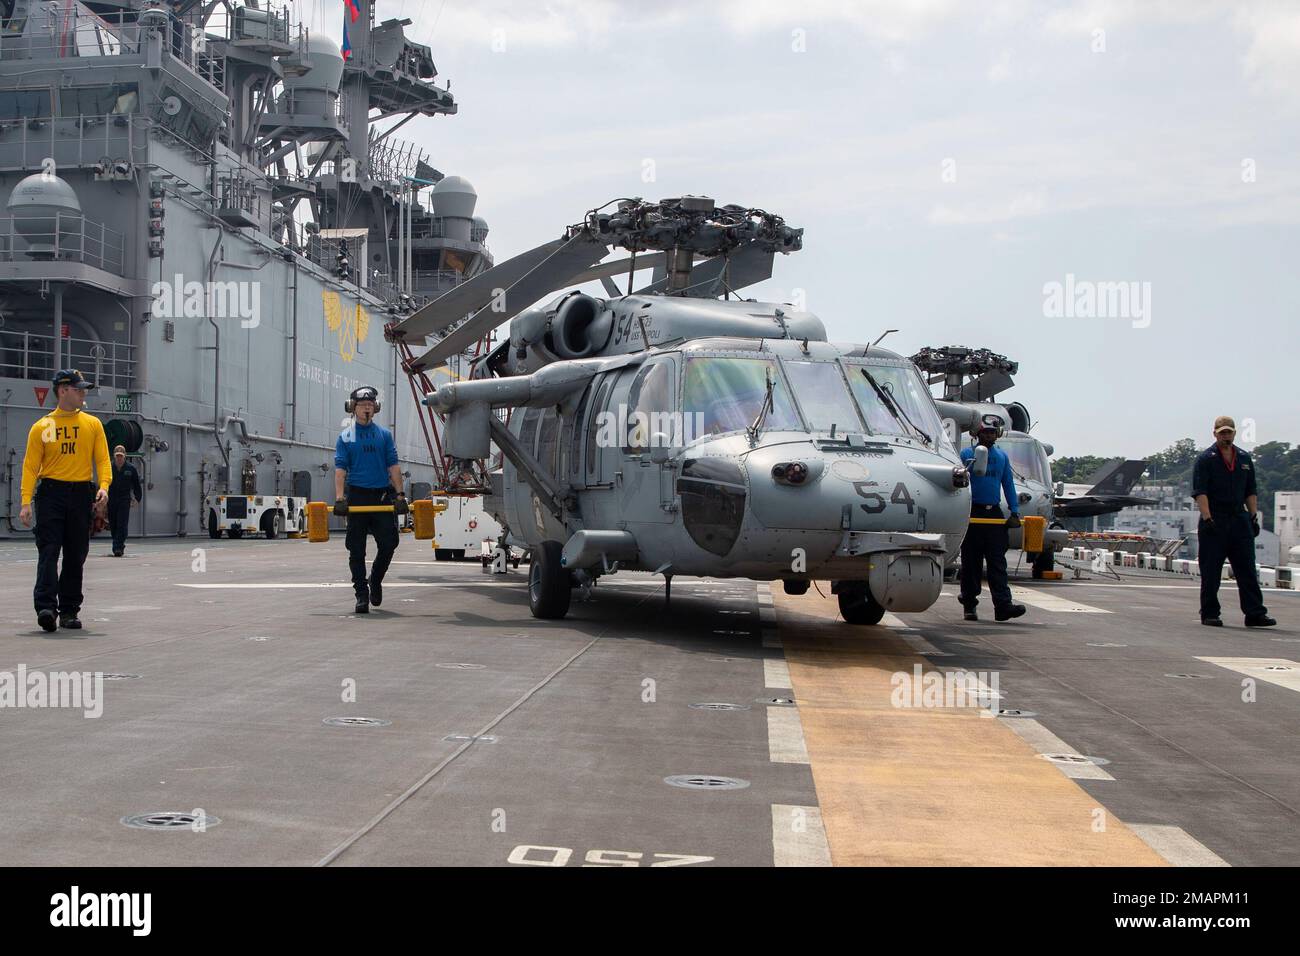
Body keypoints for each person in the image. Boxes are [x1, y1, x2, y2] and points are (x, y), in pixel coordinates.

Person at [19, 369, 111, 632]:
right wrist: (26, 501)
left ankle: (69, 610)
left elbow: (103, 460)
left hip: (81, 493)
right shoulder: (44, 427)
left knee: (76, 554)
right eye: (78, 388)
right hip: (51, 493)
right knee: (49, 550)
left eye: (83, 388)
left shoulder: (92, 425)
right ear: (62, 390)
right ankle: (46, 608)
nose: (83, 393)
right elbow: (31, 466)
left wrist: (104, 487)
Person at [1192, 416, 1275, 628]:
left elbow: (1251, 490)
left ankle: (1255, 613)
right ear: (1215, 434)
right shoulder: (1206, 459)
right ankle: (1210, 613)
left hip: (1239, 518)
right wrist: (1207, 517)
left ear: (1235, 433)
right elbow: (1200, 492)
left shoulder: (1245, 459)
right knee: (1211, 571)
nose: (1226, 436)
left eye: (1229, 432)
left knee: (1246, 569)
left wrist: (1253, 516)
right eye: (1222, 433)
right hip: (1215, 517)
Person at [334, 385, 405, 614]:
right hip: (357, 496)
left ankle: (375, 580)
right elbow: (340, 469)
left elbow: (393, 465)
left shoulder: (384, 435)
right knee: (356, 550)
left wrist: (400, 495)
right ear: (352, 408)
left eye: (370, 404)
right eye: (362, 405)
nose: (367, 408)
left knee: (389, 543)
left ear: (376, 407)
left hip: (381, 495)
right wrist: (340, 498)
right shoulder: (346, 436)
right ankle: (361, 594)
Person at [958, 419, 1027, 622]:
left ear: (997, 435)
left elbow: (1008, 485)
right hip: (973, 513)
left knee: (998, 562)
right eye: (985, 432)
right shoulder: (966, 455)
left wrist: (1014, 512)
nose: (989, 436)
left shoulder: (1002, 457)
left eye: (992, 432)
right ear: (977, 434)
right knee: (971, 563)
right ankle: (969, 605)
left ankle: (1003, 606)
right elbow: (961, 482)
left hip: (993, 514)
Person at [107, 444, 142, 557]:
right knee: (113, 523)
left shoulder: (131, 469)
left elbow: (137, 485)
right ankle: (118, 544)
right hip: (111, 499)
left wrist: (137, 498)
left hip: (124, 499)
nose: (119, 458)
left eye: (121, 456)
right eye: (117, 456)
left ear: (125, 456)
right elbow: (104, 483)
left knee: (122, 524)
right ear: (114, 456)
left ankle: (117, 547)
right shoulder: (109, 467)